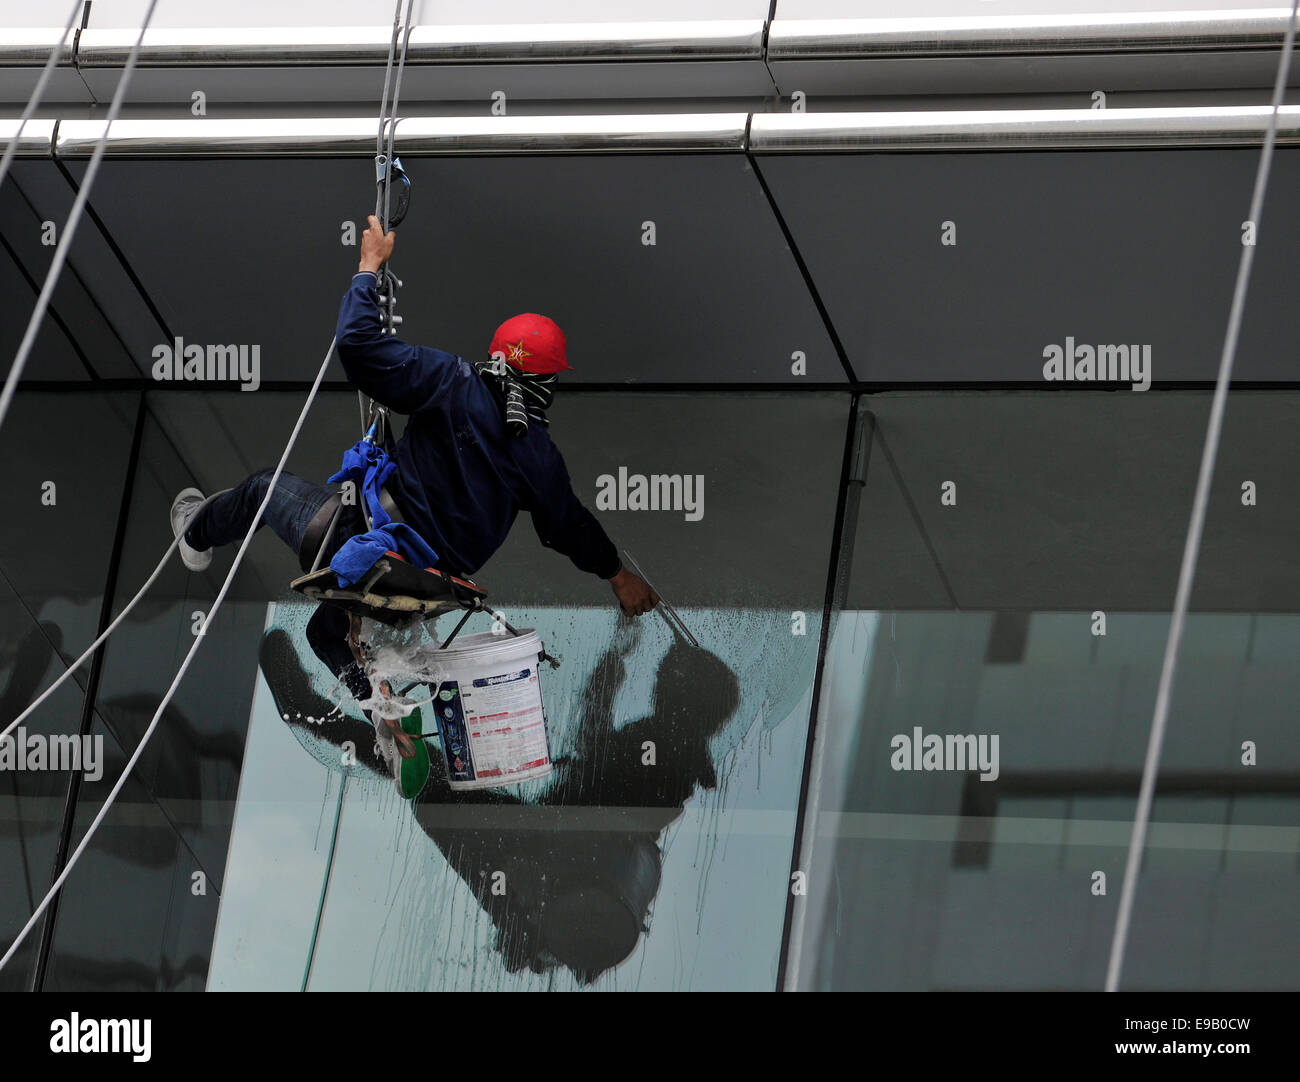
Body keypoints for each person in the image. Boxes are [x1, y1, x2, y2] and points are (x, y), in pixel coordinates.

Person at [168, 215, 658, 787]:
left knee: (258, 490)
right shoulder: (539, 458)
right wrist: (618, 576)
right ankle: (381, 710)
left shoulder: (454, 382)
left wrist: (368, 269)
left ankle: (194, 534)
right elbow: (569, 526)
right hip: (423, 587)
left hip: (362, 544)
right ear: (549, 382)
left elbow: (357, 346)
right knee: (325, 630)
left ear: (496, 357)